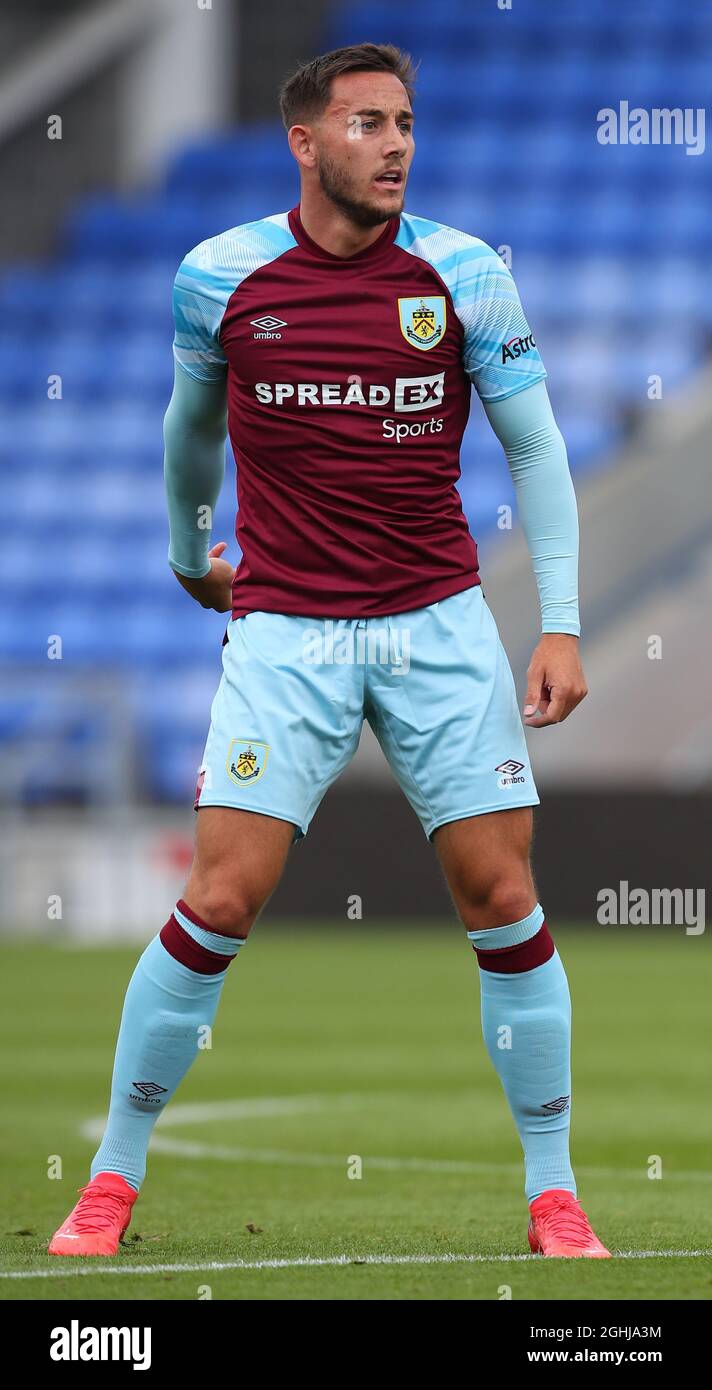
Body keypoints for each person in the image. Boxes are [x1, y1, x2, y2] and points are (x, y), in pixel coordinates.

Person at [50, 43, 609, 1260]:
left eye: (406, 121)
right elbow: (189, 426)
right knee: (220, 897)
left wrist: (557, 619)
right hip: (286, 631)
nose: (397, 143)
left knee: (502, 896)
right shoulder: (222, 277)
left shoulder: (463, 275)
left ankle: (554, 1196)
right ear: (305, 143)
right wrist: (188, 546)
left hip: (437, 626)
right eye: (367, 123)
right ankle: (110, 1181)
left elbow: (537, 450)